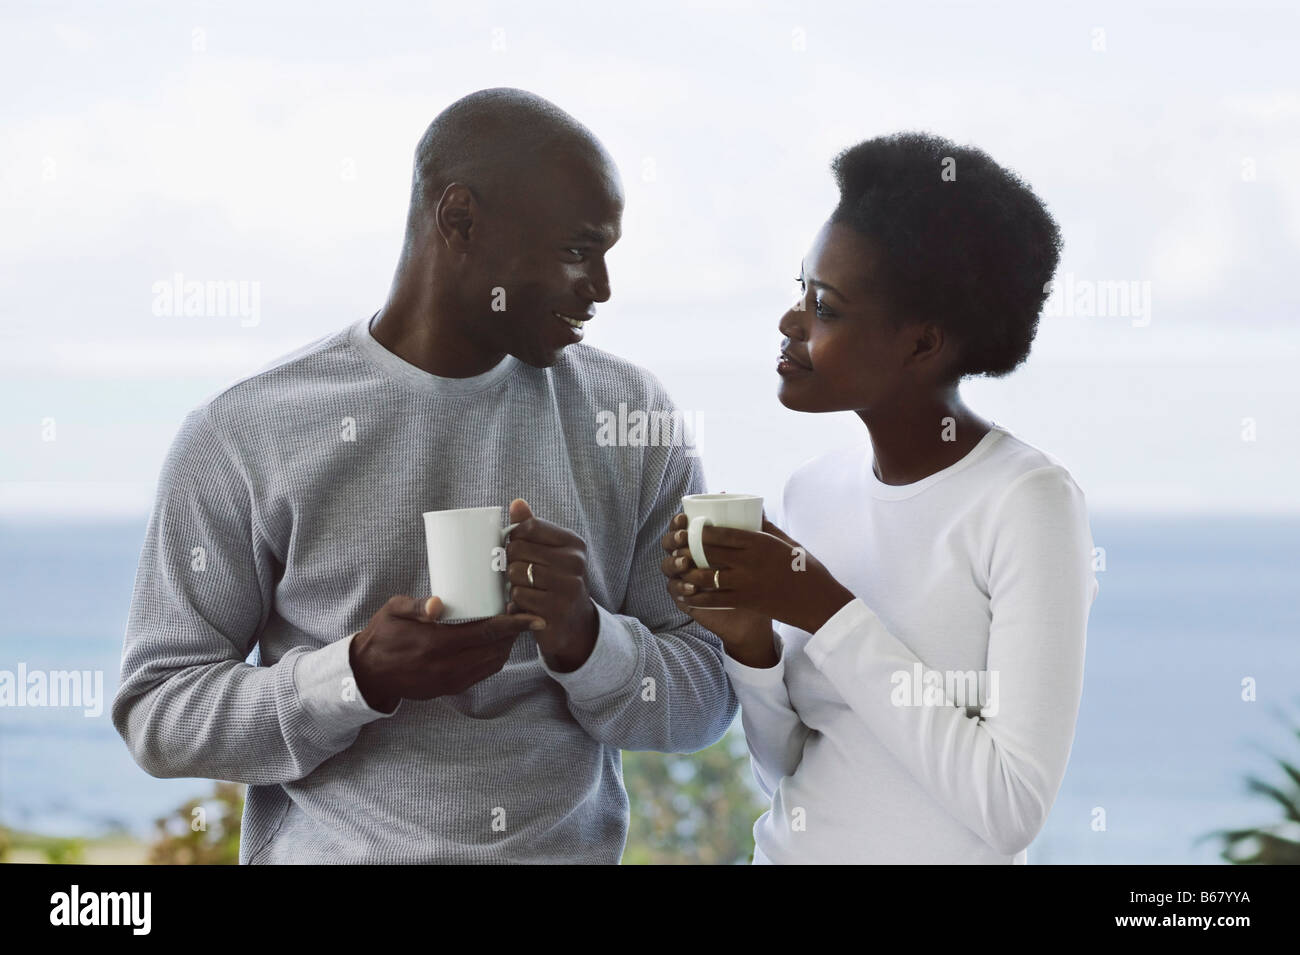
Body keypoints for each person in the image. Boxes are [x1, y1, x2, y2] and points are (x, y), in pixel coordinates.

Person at [113, 87, 737, 864]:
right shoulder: (246, 430)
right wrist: (355, 676)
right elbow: (158, 713)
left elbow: (708, 694)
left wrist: (586, 639)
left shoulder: (630, 415)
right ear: (460, 220)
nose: (603, 287)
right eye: (579, 250)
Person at [660, 132, 1098, 864]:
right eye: (800, 290)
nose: (790, 321)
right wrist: (749, 640)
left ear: (923, 344)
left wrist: (824, 608)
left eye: (826, 307)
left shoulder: (1028, 504)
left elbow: (1011, 805)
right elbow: (788, 767)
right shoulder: (811, 492)